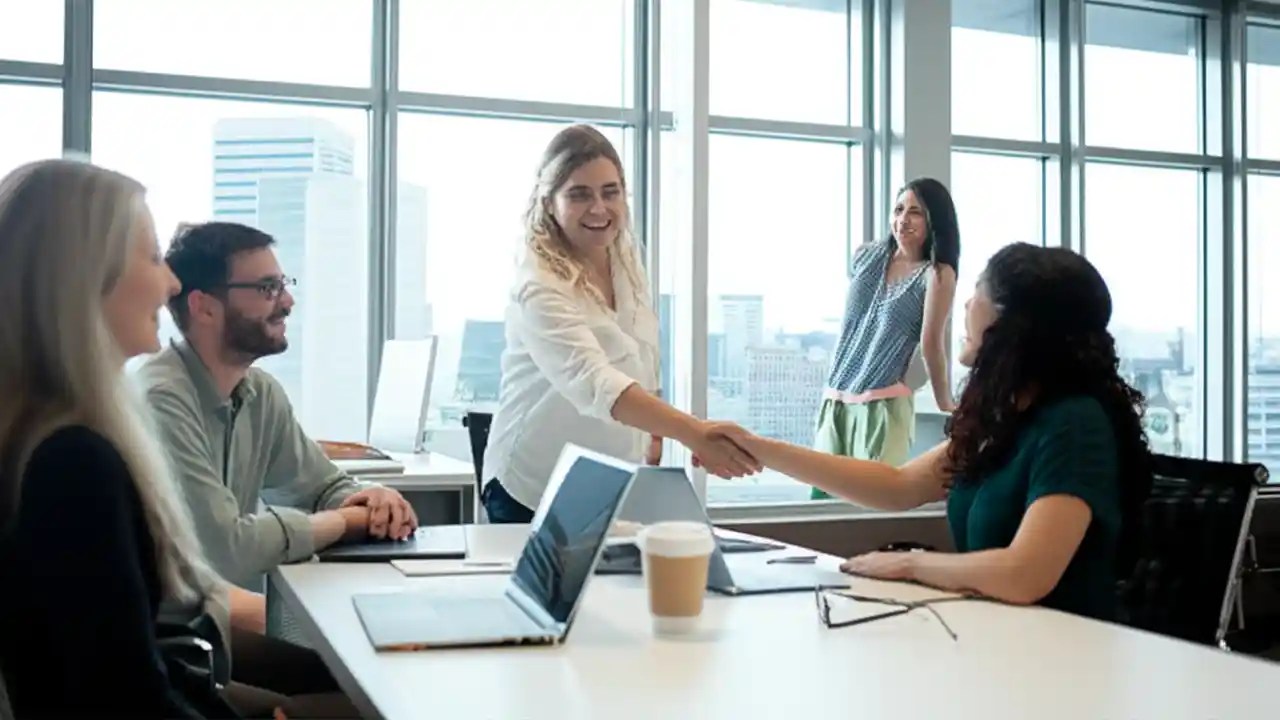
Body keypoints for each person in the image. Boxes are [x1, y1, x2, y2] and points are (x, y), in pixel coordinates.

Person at [721, 244, 1153, 621]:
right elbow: (897, 486)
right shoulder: (1005, 418)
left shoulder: (1074, 423)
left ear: (1013, 323)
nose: (966, 306)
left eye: (978, 293)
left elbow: (1025, 574)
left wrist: (911, 565)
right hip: (1003, 640)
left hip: (1067, 652)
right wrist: (757, 448)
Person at [138, 220, 412, 707]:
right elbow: (226, 550)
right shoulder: (161, 398)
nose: (286, 301)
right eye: (267, 288)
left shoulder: (259, 393)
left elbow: (320, 485)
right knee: (353, 700)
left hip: (212, 626)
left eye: (283, 284)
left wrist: (368, 499)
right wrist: (344, 522)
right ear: (204, 306)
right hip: (164, 646)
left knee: (365, 678)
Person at [0, 159, 236, 717]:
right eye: (153, 257)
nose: (172, 283)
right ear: (82, 279)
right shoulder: (72, 463)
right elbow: (124, 700)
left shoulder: (38, 440)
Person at [482, 124, 760, 523]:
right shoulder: (538, 285)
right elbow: (596, 382)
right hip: (531, 485)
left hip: (605, 482)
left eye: (610, 192)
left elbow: (642, 353)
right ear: (549, 203)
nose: (599, 208)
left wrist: (657, 436)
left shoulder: (625, 260)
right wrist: (694, 433)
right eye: (579, 194)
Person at [812, 178, 960, 499]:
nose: (903, 219)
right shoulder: (866, 256)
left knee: (872, 507)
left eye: (915, 212)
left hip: (883, 406)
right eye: (898, 210)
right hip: (835, 400)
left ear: (934, 220)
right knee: (822, 507)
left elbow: (931, 343)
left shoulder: (936, 275)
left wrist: (945, 401)